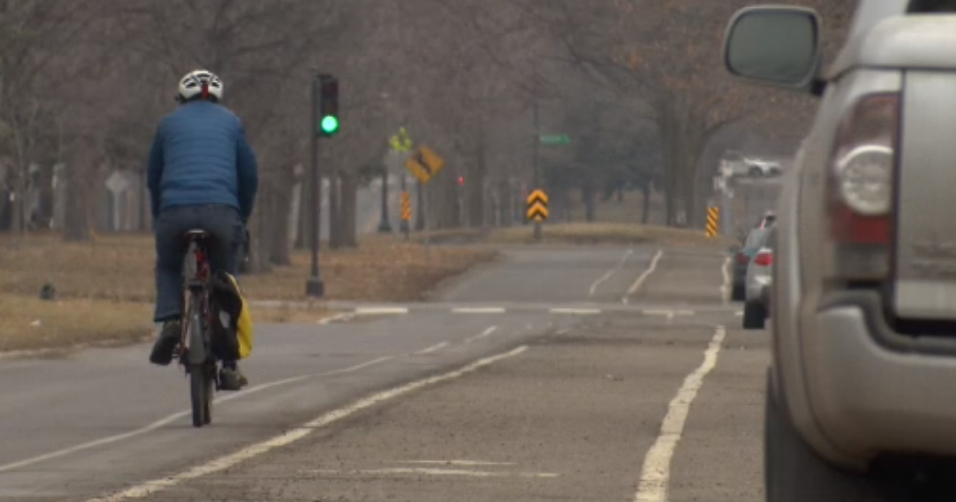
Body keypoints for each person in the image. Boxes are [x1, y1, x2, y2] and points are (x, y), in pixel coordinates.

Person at [146, 69, 259, 391]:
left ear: (182, 98)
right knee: (226, 280)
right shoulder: (232, 123)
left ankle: (170, 320)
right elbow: (249, 177)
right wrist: (242, 215)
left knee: (168, 266)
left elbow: (153, 177)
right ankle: (230, 365)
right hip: (221, 212)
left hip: (174, 212)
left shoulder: (167, 124)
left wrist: (160, 216)